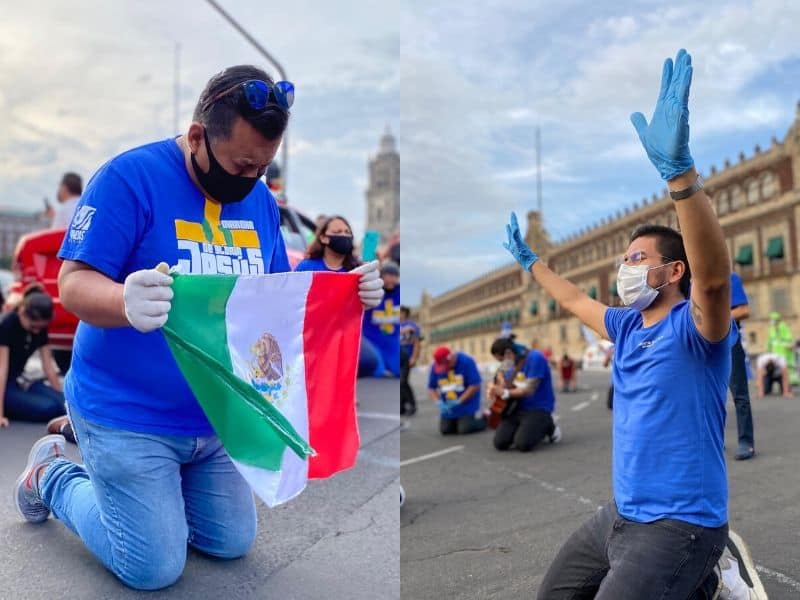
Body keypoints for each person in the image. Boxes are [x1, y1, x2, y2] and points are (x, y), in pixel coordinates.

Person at [13, 65, 384, 591]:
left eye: (263, 168)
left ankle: (151, 493)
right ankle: (51, 476)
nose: (253, 180)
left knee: (230, 542)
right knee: (152, 566)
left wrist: (347, 290)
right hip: (127, 411)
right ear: (196, 137)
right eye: (243, 164)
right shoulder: (128, 179)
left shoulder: (258, 202)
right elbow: (73, 283)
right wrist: (123, 300)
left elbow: (275, 295)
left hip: (213, 417)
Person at [504, 50, 765, 599]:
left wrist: (681, 177)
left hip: (681, 525)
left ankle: (708, 564)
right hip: (618, 517)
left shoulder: (698, 330)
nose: (627, 266)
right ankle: (706, 584)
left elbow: (714, 282)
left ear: (674, 270)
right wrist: (533, 265)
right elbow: (575, 300)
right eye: (625, 258)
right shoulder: (625, 327)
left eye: (638, 258)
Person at [0, 285, 65, 426]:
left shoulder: (40, 328)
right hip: (4, 385)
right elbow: (2, 371)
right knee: (48, 408)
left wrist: (60, 396)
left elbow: (48, 366)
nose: (36, 331)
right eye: (33, 327)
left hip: (21, 380)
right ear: (22, 312)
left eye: (40, 327)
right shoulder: (7, 325)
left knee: (62, 404)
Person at [487, 337, 560, 452]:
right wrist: (495, 385)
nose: (501, 364)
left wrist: (505, 392)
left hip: (539, 407)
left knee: (523, 444)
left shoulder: (536, 357)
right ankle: (527, 428)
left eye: (501, 360)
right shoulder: (510, 361)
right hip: (517, 408)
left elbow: (529, 389)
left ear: (508, 353)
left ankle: (550, 426)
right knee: (500, 443)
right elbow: (500, 374)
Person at [728, 271, 756, 460]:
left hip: (728, 341)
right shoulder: (690, 283)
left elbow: (743, 310)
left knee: (740, 395)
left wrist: (711, 320)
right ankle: (711, 441)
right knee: (705, 396)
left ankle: (746, 442)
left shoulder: (730, 278)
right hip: (700, 344)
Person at [428, 345, 487, 435]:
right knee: (446, 430)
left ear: (451, 358)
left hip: (467, 404)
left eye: (446, 365)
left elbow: (475, 385)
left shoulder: (467, 361)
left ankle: (485, 418)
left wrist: (459, 401)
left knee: (465, 429)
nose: (445, 369)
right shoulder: (436, 366)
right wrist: (438, 402)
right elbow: (431, 387)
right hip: (449, 405)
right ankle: (457, 420)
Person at [361, 261, 401, 377]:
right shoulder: (373, 291)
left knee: (397, 371)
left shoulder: (399, 292)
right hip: (373, 339)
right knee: (377, 371)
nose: (391, 279)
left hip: (391, 340)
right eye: (388, 275)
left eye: (394, 276)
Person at [294, 215, 360, 272]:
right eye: (337, 232)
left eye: (347, 232)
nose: (344, 235)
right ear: (323, 238)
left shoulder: (359, 269)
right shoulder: (306, 268)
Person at [400, 305, 420, 415]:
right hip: (396, 357)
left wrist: (414, 357)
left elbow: (416, 343)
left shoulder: (412, 327)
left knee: (403, 382)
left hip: (406, 358)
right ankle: (401, 406)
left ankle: (412, 405)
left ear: (404, 313)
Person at [766, 311, 796, 386]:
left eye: (772, 319)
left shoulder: (783, 326)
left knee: (787, 367)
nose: (771, 321)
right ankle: (780, 383)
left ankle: (789, 382)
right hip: (775, 352)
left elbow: (788, 338)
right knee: (777, 368)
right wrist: (768, 350)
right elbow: (769, 340)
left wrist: (789, 345)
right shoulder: (771, 328)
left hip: (785, 352)